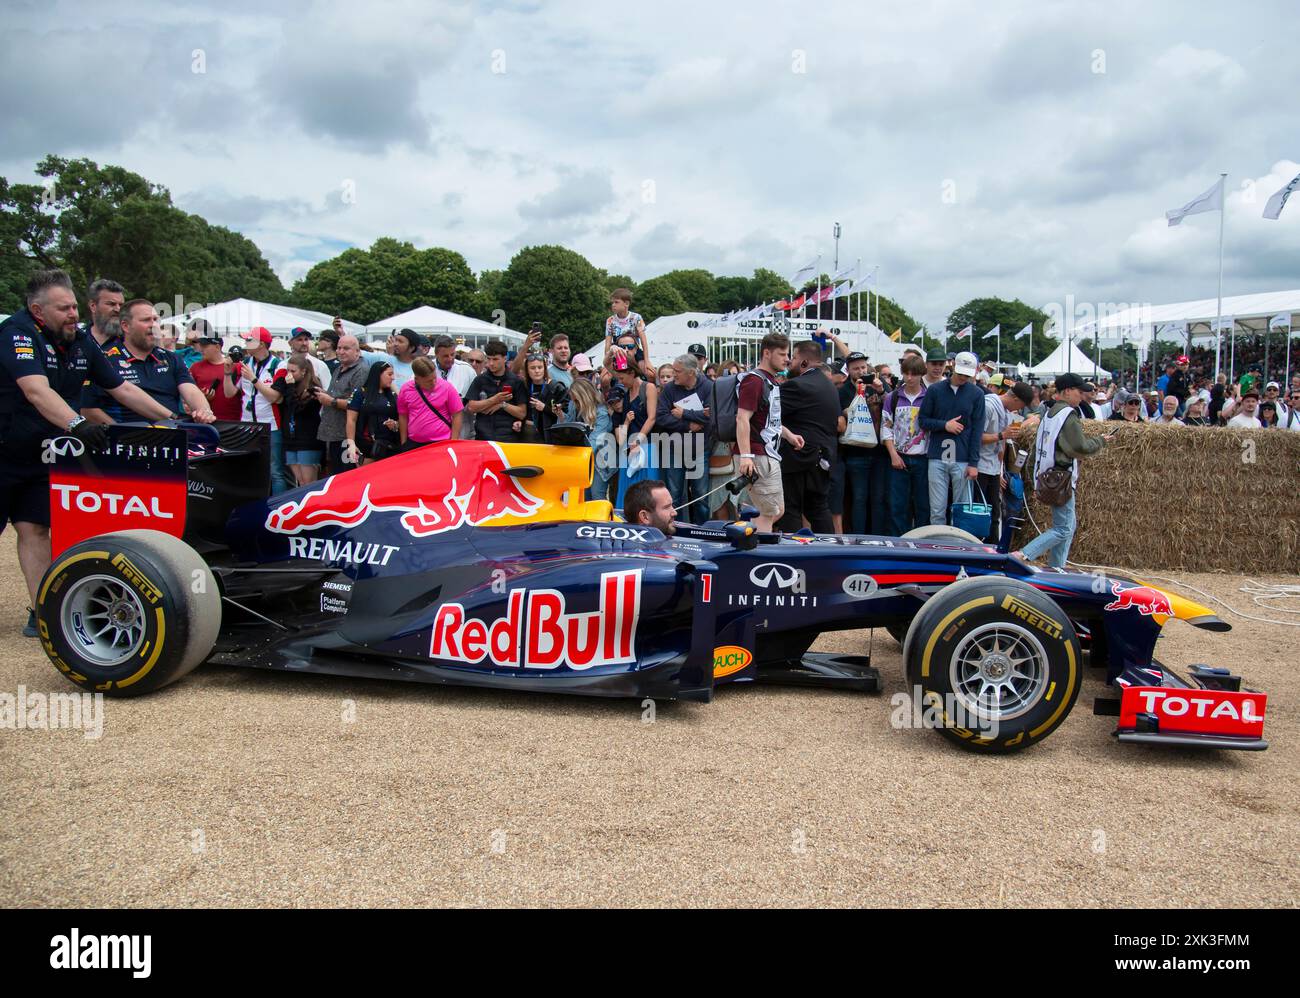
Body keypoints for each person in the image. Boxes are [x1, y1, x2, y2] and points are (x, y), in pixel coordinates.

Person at [1, 270, 176, 637]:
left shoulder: (79, 339)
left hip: (41, 450)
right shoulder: (17, 334)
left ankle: (42, 611)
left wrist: (174, 421)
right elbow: (36, 391)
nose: (73, 314)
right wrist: (78, 424)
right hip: (5, 446)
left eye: (74, 306)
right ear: (37, 310)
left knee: (34, 528)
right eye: (63, 308)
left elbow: (121, 388)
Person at [1014, 373, 1112, 568]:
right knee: (1063, 528)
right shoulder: (1068, 414)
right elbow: (1078, 447)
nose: (1082, 395)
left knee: (1068, 526)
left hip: (1047, 476)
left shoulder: (1048, 413)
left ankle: (1056, 567)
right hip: (1061, 477)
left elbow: (1037, 450)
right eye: (1079, 391)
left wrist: (1035, 479)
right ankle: (1023, 554)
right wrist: (1100, 441)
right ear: (1067, 391)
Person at [80, 299, 216, 425]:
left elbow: (191, 391)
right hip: (127, 441)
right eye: (146, 320)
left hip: (171, 437)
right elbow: (89, 410)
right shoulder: (105, 358)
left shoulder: (171, 358)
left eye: (156, 319)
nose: (153, 325)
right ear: (126, 326)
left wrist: (204, 411)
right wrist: (120, 435)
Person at [734, 332, 804, 533]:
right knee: (770, 511)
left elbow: (768, 421)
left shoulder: (769, 381)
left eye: (787, 354)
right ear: (767, 353)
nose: (787, 359)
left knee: (775, 509)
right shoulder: (754, 381)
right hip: (758, 454)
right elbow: (742, 418)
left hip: (766, 452)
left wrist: (788, 435)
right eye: (782, 354)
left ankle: (749, 541)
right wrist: (746, 456)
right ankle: (755, 553)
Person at [777, 341, 840, 533]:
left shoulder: (797, 385)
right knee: (818, 508)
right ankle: (828, 551)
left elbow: (770, 414)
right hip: (824, 457)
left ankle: (792, 554)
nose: (789, 362)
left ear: (804, 362)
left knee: (791, 508)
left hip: (800, 456)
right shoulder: (828, 386)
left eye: (794, 358)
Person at [918, 350, 985, 525]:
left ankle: (959, 546)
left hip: (962, 458)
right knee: (937, 509)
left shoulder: (976, 394)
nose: (964, 378)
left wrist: (973, 463)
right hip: (937, 455)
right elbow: (923, 420)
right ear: (953, 366)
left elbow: (977, 430)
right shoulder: (935, 390)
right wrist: (944, 425)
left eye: (967, 375)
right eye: (961, 373)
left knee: (960, 508)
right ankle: (937, 546)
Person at [232, 326, 292, 495]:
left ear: (261, 344)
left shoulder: (278, 365)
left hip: (271, 425)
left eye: (249, 340)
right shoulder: (244, 364)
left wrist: (253, 378)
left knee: (275, 472)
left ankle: (278, 509)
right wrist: (227, 374)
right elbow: (231, 393)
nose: (246, 342)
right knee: (250, 468)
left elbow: (275, 397)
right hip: (247, 425)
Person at [654, 353, 711, 523]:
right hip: (675, 449)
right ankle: (674, 528)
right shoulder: (670, 389)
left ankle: (702, 531)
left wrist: (684, 413)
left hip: (700, 448)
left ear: (691, 373)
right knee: (674, 494)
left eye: (677, 371)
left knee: (701, 496)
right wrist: (688, 425)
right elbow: (662, 417)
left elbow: (711, 415)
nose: (674, 374)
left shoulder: (708, 387)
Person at [976, 381, 1032, 543]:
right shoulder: (988, 406)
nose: (1019, 410)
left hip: (993, 468)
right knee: (981, 512)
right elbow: (976, 437)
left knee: (995, 513)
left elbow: (1002, 446)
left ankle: (993, 548)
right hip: (979, 466)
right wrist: (1002, 435)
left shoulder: (1007, 412)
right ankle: (979, 547)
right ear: (1015, 399)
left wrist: (999, 470)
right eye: (1020, 405)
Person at [881, 353, 930, 535]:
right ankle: (897, 542)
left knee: (923, 505)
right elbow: (886, 428)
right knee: (896, 505)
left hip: (923, 457)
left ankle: (922, 541)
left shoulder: (928, 397)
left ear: (921, 374)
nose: (909, 378)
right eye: (906, 373)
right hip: (899, 457)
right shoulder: (892, 398)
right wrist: (893, 454)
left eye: (914, 374)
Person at [313, 334, 369, 472]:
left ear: (357, 351)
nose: (341, 351)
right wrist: (325, 393)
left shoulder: (361, 370)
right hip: (334, 433)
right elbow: (338, 394)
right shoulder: (339, 368)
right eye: (339, 348)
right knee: (337, 473)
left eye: (346, 348)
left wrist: (331, 401)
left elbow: (358, 403)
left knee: (348, 475)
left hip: (348, 435)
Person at [610, 356, 660, 510]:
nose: (620, 381)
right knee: (626, 491)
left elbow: (652, 418)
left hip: (646, 446)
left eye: (622, 377)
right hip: (629, 449)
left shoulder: (648, 388)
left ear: (632, 372)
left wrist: (638, 440)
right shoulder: (625, 394)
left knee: (647, 494)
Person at [268, 354, 324, 486]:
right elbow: (283, 404)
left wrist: (291, 387)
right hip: (291, 438)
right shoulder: (289, 386)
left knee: (308, 482)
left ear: (303, 372)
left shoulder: (312, 388)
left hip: (307, 438)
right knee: (300, 481)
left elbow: (298, 408)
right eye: (287, 370)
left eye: (293, 371)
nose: (289, 374)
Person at [466, 340, 526, 442]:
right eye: (488, 359)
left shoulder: (516, 381)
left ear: (505, 358)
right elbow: (471, 407)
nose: (491, 363)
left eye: (495, 359)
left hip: (509, 438)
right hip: (483, 438)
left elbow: (522, 413)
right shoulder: (480, 380)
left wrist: (502, 404)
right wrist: (494, 400)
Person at [567, 377, 615, 502]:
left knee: (597, 498)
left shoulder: (601, 413)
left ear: (584, 397)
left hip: (600, 462)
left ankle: (601, 522)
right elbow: (567, 428)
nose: (574, 404)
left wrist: (576, 455)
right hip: (584, 460)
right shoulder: (575, 407)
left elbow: (595, 442)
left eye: (577, 401)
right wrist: (561, 416)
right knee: (585, 499)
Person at [398, 355, 464, 447]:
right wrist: (404, 442)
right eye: (428, 381)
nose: (433, 383)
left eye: (434, 378)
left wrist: (453, 441)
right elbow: (403, 416)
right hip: (414, 443)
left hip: (442, 442)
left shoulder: (447, 387)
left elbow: (457, 414)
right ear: (417, 379)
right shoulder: (406, 389)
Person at [344, 360, 400, 464]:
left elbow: (402, 418)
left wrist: (395, 424)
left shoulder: (392, 395)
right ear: (378, 374)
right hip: (366, 445)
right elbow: (351, 419)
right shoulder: (360, 393)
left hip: (389, 445)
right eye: (389, 374)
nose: (393, 378)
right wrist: (351, 443)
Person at [189, 335, 244, 422]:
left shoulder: (236, 366)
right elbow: (188, 394)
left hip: (232, 421)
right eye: (201, 346)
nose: (201, 349)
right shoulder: (195, 367)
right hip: (204, 421)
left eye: (205, 346)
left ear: (217, 347)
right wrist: (202, 397)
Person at [603, 289, 654, 380]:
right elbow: (607, 343)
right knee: (606, 379)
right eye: (612, 303)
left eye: (616, 302)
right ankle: (608, 393)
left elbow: (643, 340)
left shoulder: (636, 318)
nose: (613, 305)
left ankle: (653, 391)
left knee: (650, 374)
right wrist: (607, 362)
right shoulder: (610, 320)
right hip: (618, 352)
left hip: (634, 350)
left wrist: (647, 360)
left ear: (626, 304)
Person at [523, 354, 565, 442]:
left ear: (545, 369)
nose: (537, 371)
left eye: (540, 367)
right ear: (527, 370)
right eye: (533, 368)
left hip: (550, 435)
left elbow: (566, 415)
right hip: (528, 435)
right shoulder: (523, 387)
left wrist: (545, 408)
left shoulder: (556, 387)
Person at [83, 278, 125, 348]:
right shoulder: (78, 339)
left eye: (121, 305)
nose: (118, 309)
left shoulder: (130, 341)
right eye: (111, 304)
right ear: (93, 306)